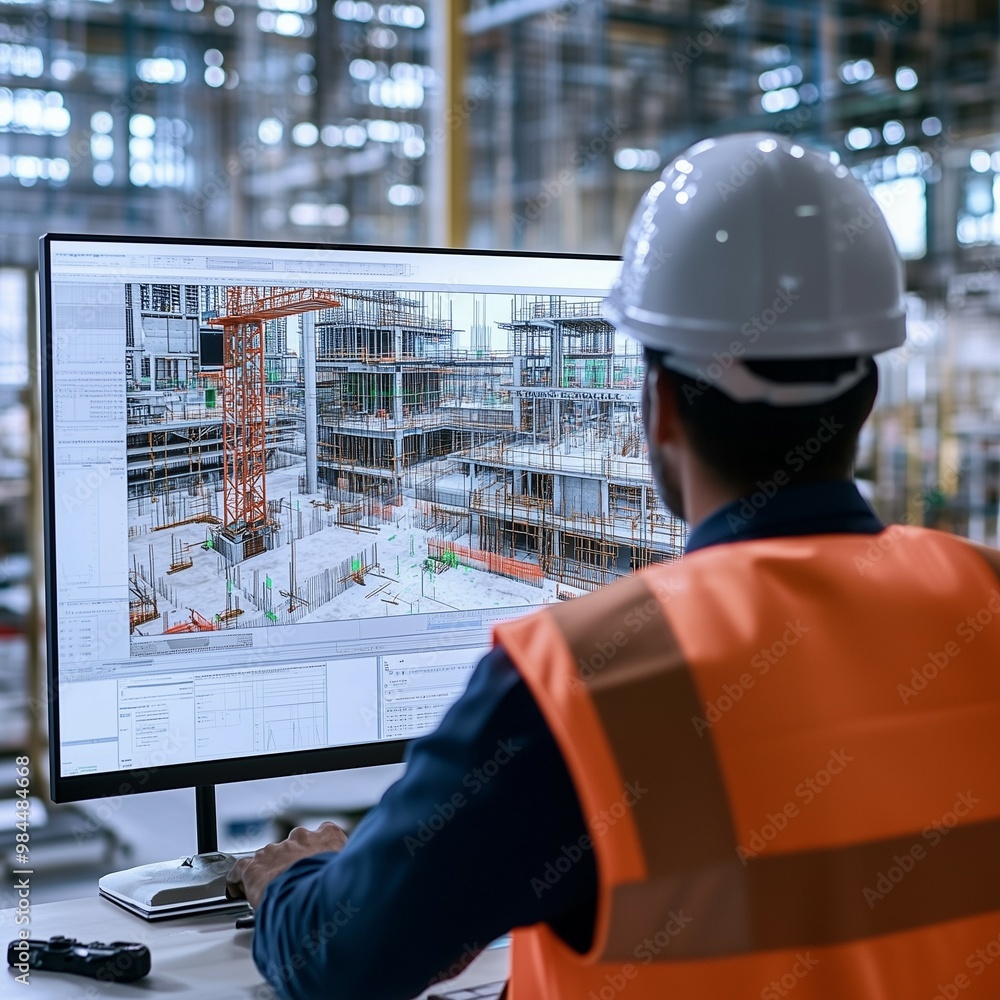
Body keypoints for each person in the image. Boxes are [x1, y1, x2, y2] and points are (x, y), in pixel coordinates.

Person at [228, 133, 1000, 999]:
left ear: (659, 405)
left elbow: (337, 960)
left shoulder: (588, 676)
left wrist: (289, 884)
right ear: (865, 397)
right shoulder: (986, 599)